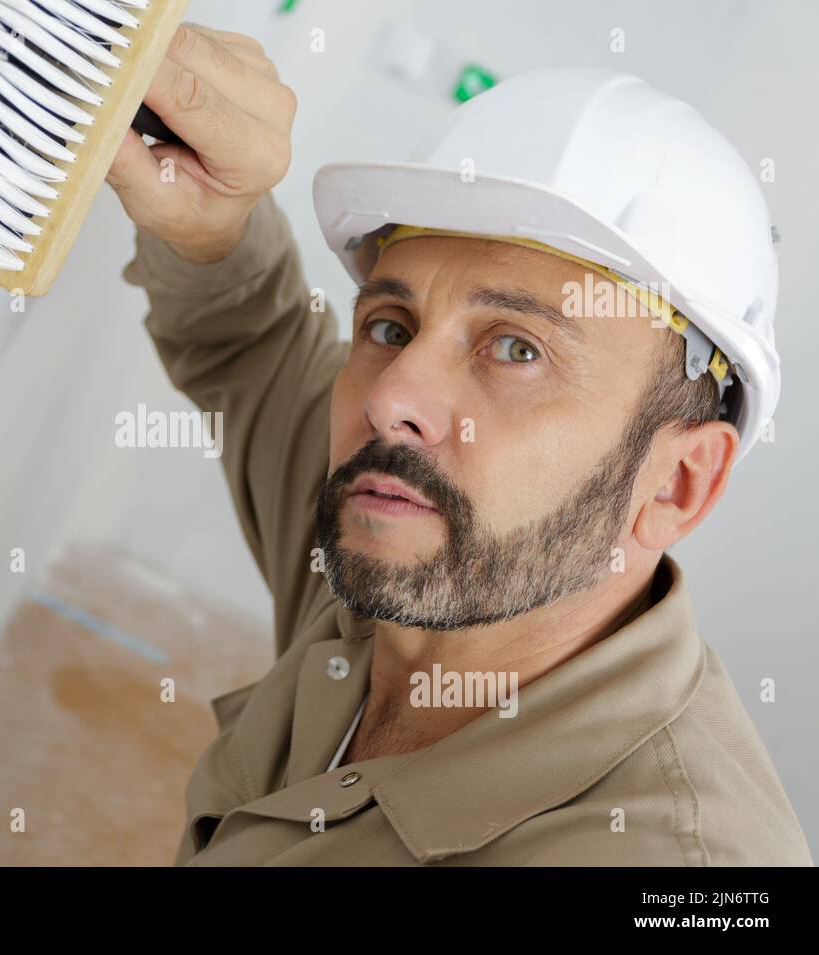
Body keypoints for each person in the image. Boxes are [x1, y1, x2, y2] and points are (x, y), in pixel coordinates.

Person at [106, 25, 810, 864]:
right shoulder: (399, 544)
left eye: (517, 349)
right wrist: (210, 212)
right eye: (390, 325)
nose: (392, 398)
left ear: (677, 485)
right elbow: (249, 338)